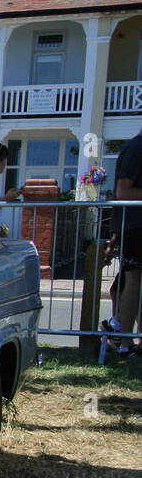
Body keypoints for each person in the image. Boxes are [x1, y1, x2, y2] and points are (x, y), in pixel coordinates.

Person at [110, 125, 142, 356]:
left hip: (135, 225)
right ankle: (125, 342)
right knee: (134, 282)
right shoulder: (136, 148)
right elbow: (123, 192)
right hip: (136, 227)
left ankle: (134, 341)